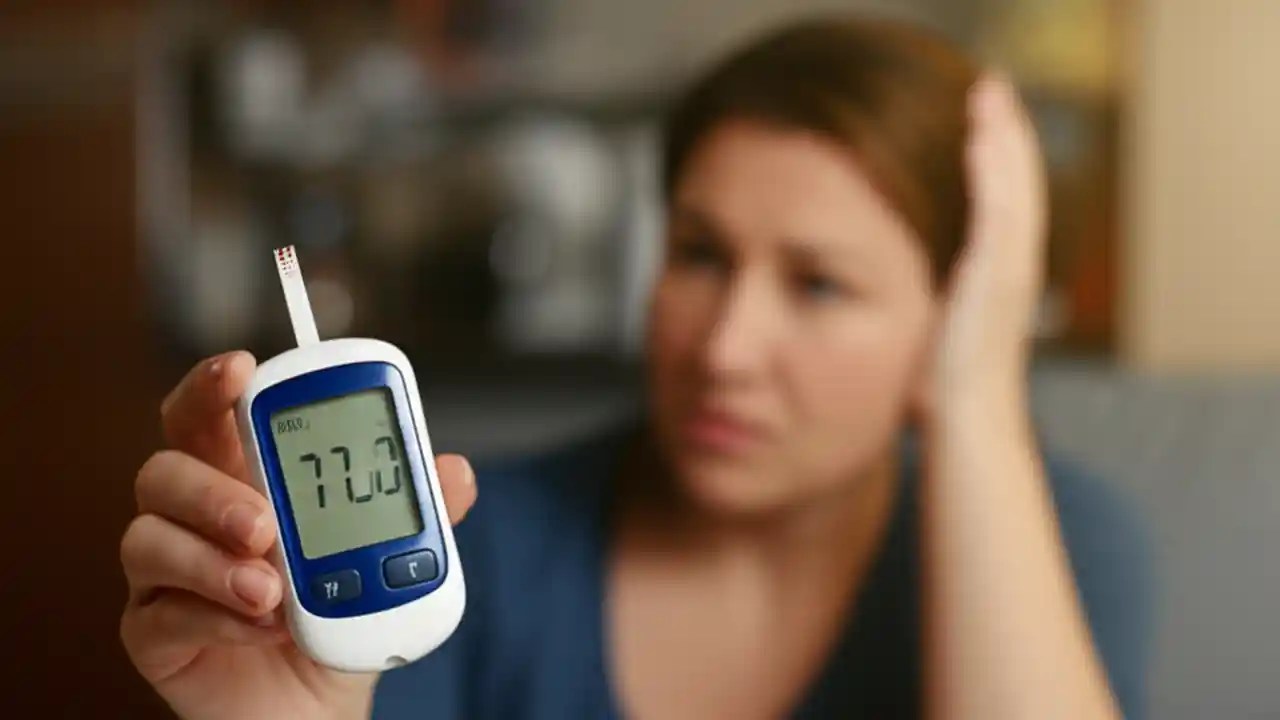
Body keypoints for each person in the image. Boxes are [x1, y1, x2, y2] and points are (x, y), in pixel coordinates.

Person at [119, 16, 1151, 720]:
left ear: (955, 314)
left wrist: (974, 397)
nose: (722, 347)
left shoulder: (1048, 540)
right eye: (698, 254)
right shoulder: (474, 547)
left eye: (820, 285)